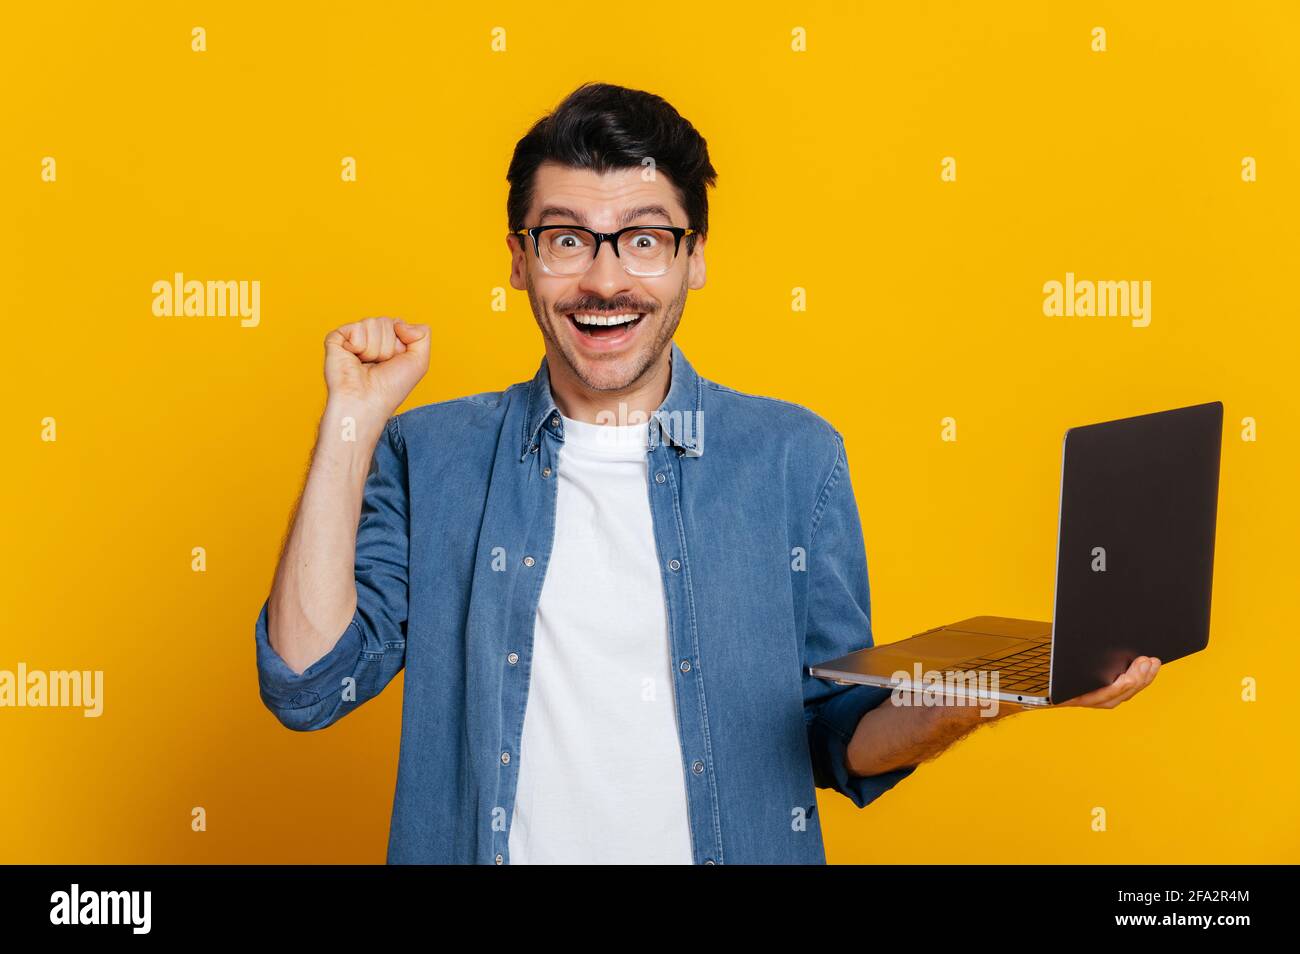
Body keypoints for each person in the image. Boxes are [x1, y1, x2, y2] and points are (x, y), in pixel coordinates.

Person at [253, 82, 1160, 864]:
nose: (606, 279)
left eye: (645, 240)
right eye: (568, 239)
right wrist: (351, 421)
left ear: (695, 260)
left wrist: (979, 695)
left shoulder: (792, 456)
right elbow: (305, 685)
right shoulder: (431, 454)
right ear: (520, 263)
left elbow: (837, 734)